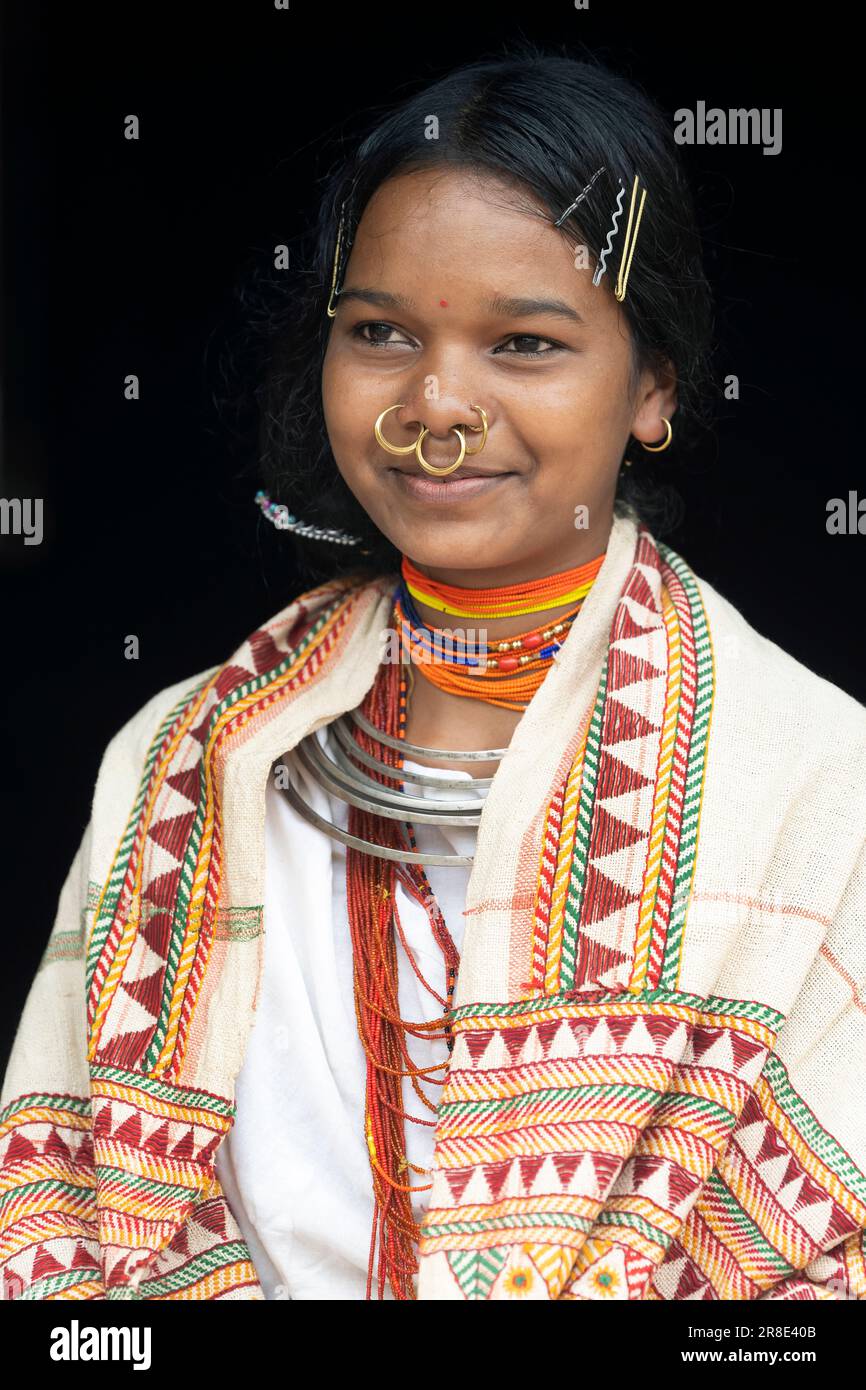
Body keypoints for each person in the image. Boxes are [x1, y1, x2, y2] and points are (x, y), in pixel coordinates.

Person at [2, 45, 865, 1304]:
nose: (434, 404)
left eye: (523, 343)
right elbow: (57, 1245)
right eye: (381, 333)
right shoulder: (177, 764)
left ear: (653, 387)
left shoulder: (812, 789)